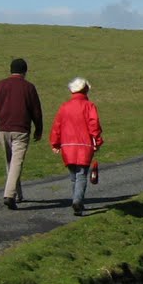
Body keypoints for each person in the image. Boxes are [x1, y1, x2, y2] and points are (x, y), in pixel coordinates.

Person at [0, 58, 43, 210]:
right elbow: (36, 111)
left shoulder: (0, 85)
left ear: (10, 70)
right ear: (25, 71)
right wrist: (39, 129)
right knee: (16, 163)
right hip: (21, 129)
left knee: (10, 163)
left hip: (3, 128)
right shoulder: (29, 87)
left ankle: (17, 194)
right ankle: (9, 195)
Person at [49, 77, 104, 216]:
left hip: (67, 146)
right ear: (85, 90)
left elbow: (57, 126)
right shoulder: (89, 106)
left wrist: (55, 143)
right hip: (84, 145)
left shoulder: (64, 107)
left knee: (74, 176)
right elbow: (94, 125)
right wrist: (97, 141)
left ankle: (76, 201)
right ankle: (78, 201)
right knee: (81, 175)